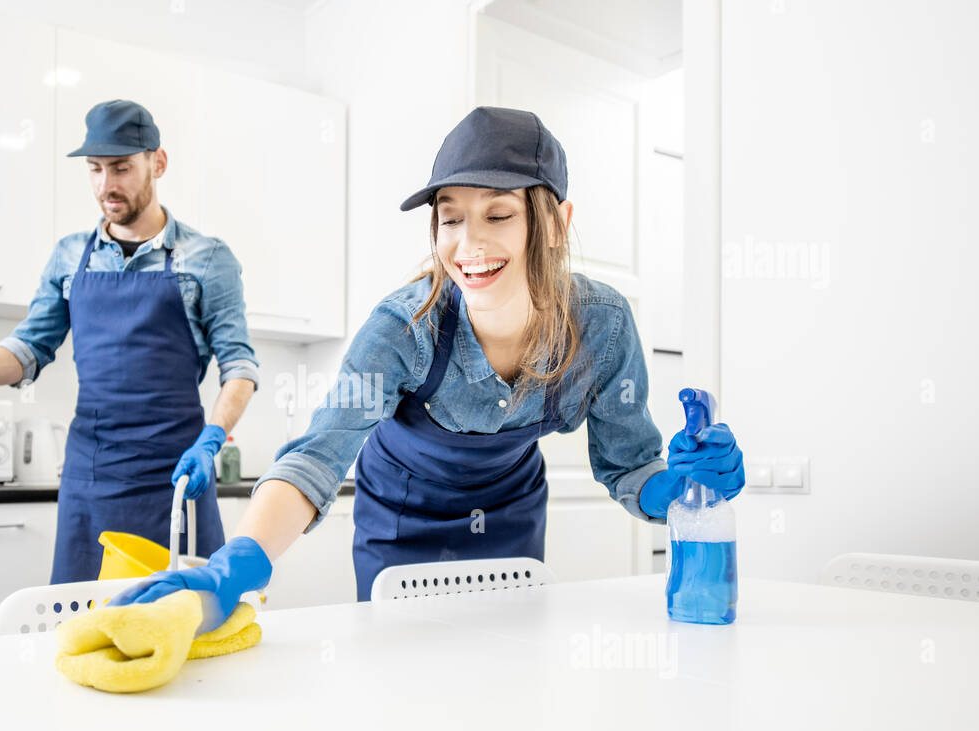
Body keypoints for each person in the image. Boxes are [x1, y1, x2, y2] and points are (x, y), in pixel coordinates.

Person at [110, 106, 746, 619]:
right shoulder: (405, 326)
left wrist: (683, 491)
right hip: (400, 516)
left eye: (498, 214)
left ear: (555, 223)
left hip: (510, 509)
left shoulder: (601, 326)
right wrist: (238, 561)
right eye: (450, 220)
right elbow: (317, 454)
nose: (468, 246)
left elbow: (630, 463)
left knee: (507, 665)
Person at [0, 100, 259, 583]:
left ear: (157, 163)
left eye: (121, 167)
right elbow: (27, 350)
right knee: (82, 624)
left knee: (186, 623)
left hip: (179, 475)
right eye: (95, 169)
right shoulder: (69, 256)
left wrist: (211, 440)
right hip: (91, 476)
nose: (106, 185)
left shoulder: (206, 259)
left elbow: (240, 368)